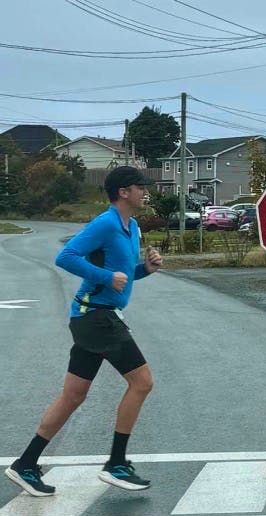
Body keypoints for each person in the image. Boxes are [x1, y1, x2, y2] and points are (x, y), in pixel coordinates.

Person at [5, 166, 162, 496]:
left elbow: (122, 275)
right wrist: (106, 278)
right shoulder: (105, 223)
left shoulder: (131, 227)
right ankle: (117, 464)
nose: (144, 192)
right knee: (142, 381)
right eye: (139, 187)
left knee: (74, 394)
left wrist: (144, 270)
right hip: (95, 316)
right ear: (123, 192)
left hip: (97, 316)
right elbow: (66, 257)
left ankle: (26, 464)